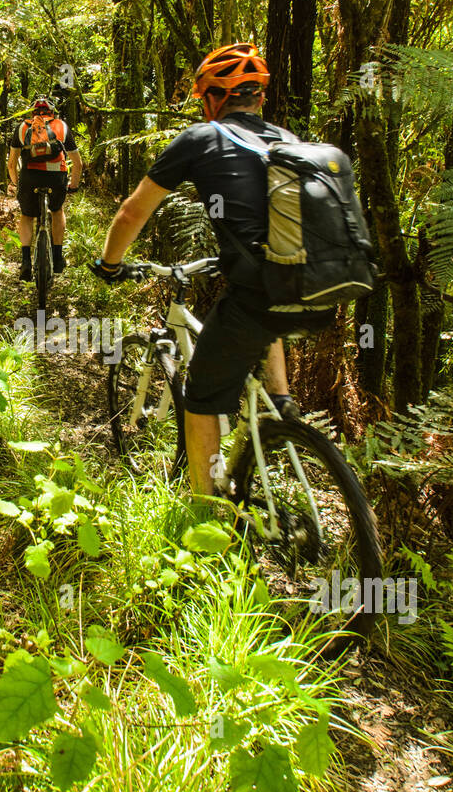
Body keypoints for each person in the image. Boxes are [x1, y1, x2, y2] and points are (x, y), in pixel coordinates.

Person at [92, 43, 336, 498]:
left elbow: (131, 214)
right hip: (324, 284)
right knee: (267, 297)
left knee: (201, 397)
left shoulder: (201, 139)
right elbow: (285, 241)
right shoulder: (289, 142)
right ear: (259, 98)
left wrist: (110, 264)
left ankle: (204, 508)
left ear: (211, 100)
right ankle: (279, 402)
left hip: (260, 290)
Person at [8, 98, 82, 280]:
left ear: (33, 113)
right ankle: (57, 257)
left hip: (29, 177)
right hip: (56, 178)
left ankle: (25, 261)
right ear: (52, 112)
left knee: (27, 215)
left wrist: (18, 184)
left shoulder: (22, 127)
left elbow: (11, 164)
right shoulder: (62, 126)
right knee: (57, 211)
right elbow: (78, 163)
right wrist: (73, 185)